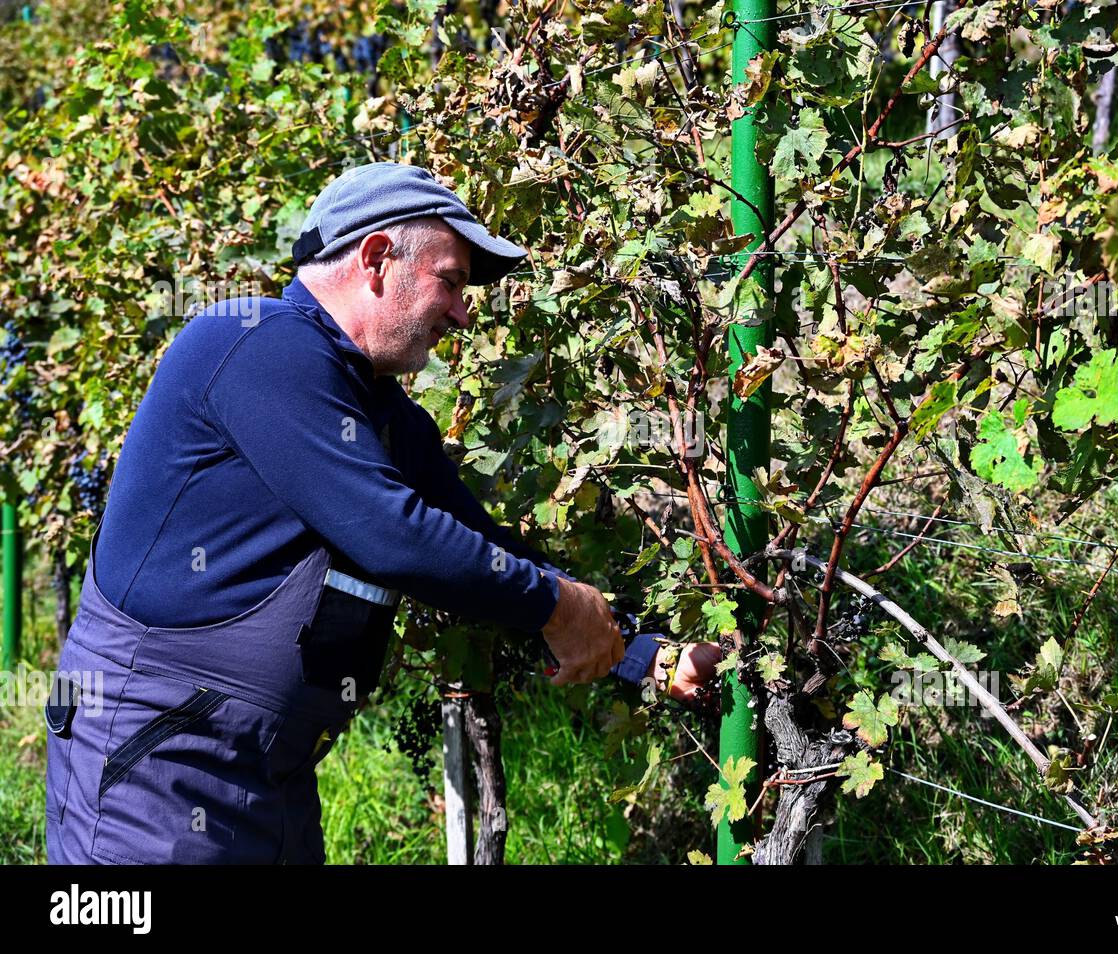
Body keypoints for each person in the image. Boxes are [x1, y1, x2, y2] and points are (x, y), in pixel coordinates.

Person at [44, 161, 720, 864]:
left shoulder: (380, 411)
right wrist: (555, 606)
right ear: (375, 260)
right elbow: (395, 535)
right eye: (451, 282)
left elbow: (479, 545)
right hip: (151, 762)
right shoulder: (255, 341)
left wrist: (642, 653)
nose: (463, 313)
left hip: (262, 772)